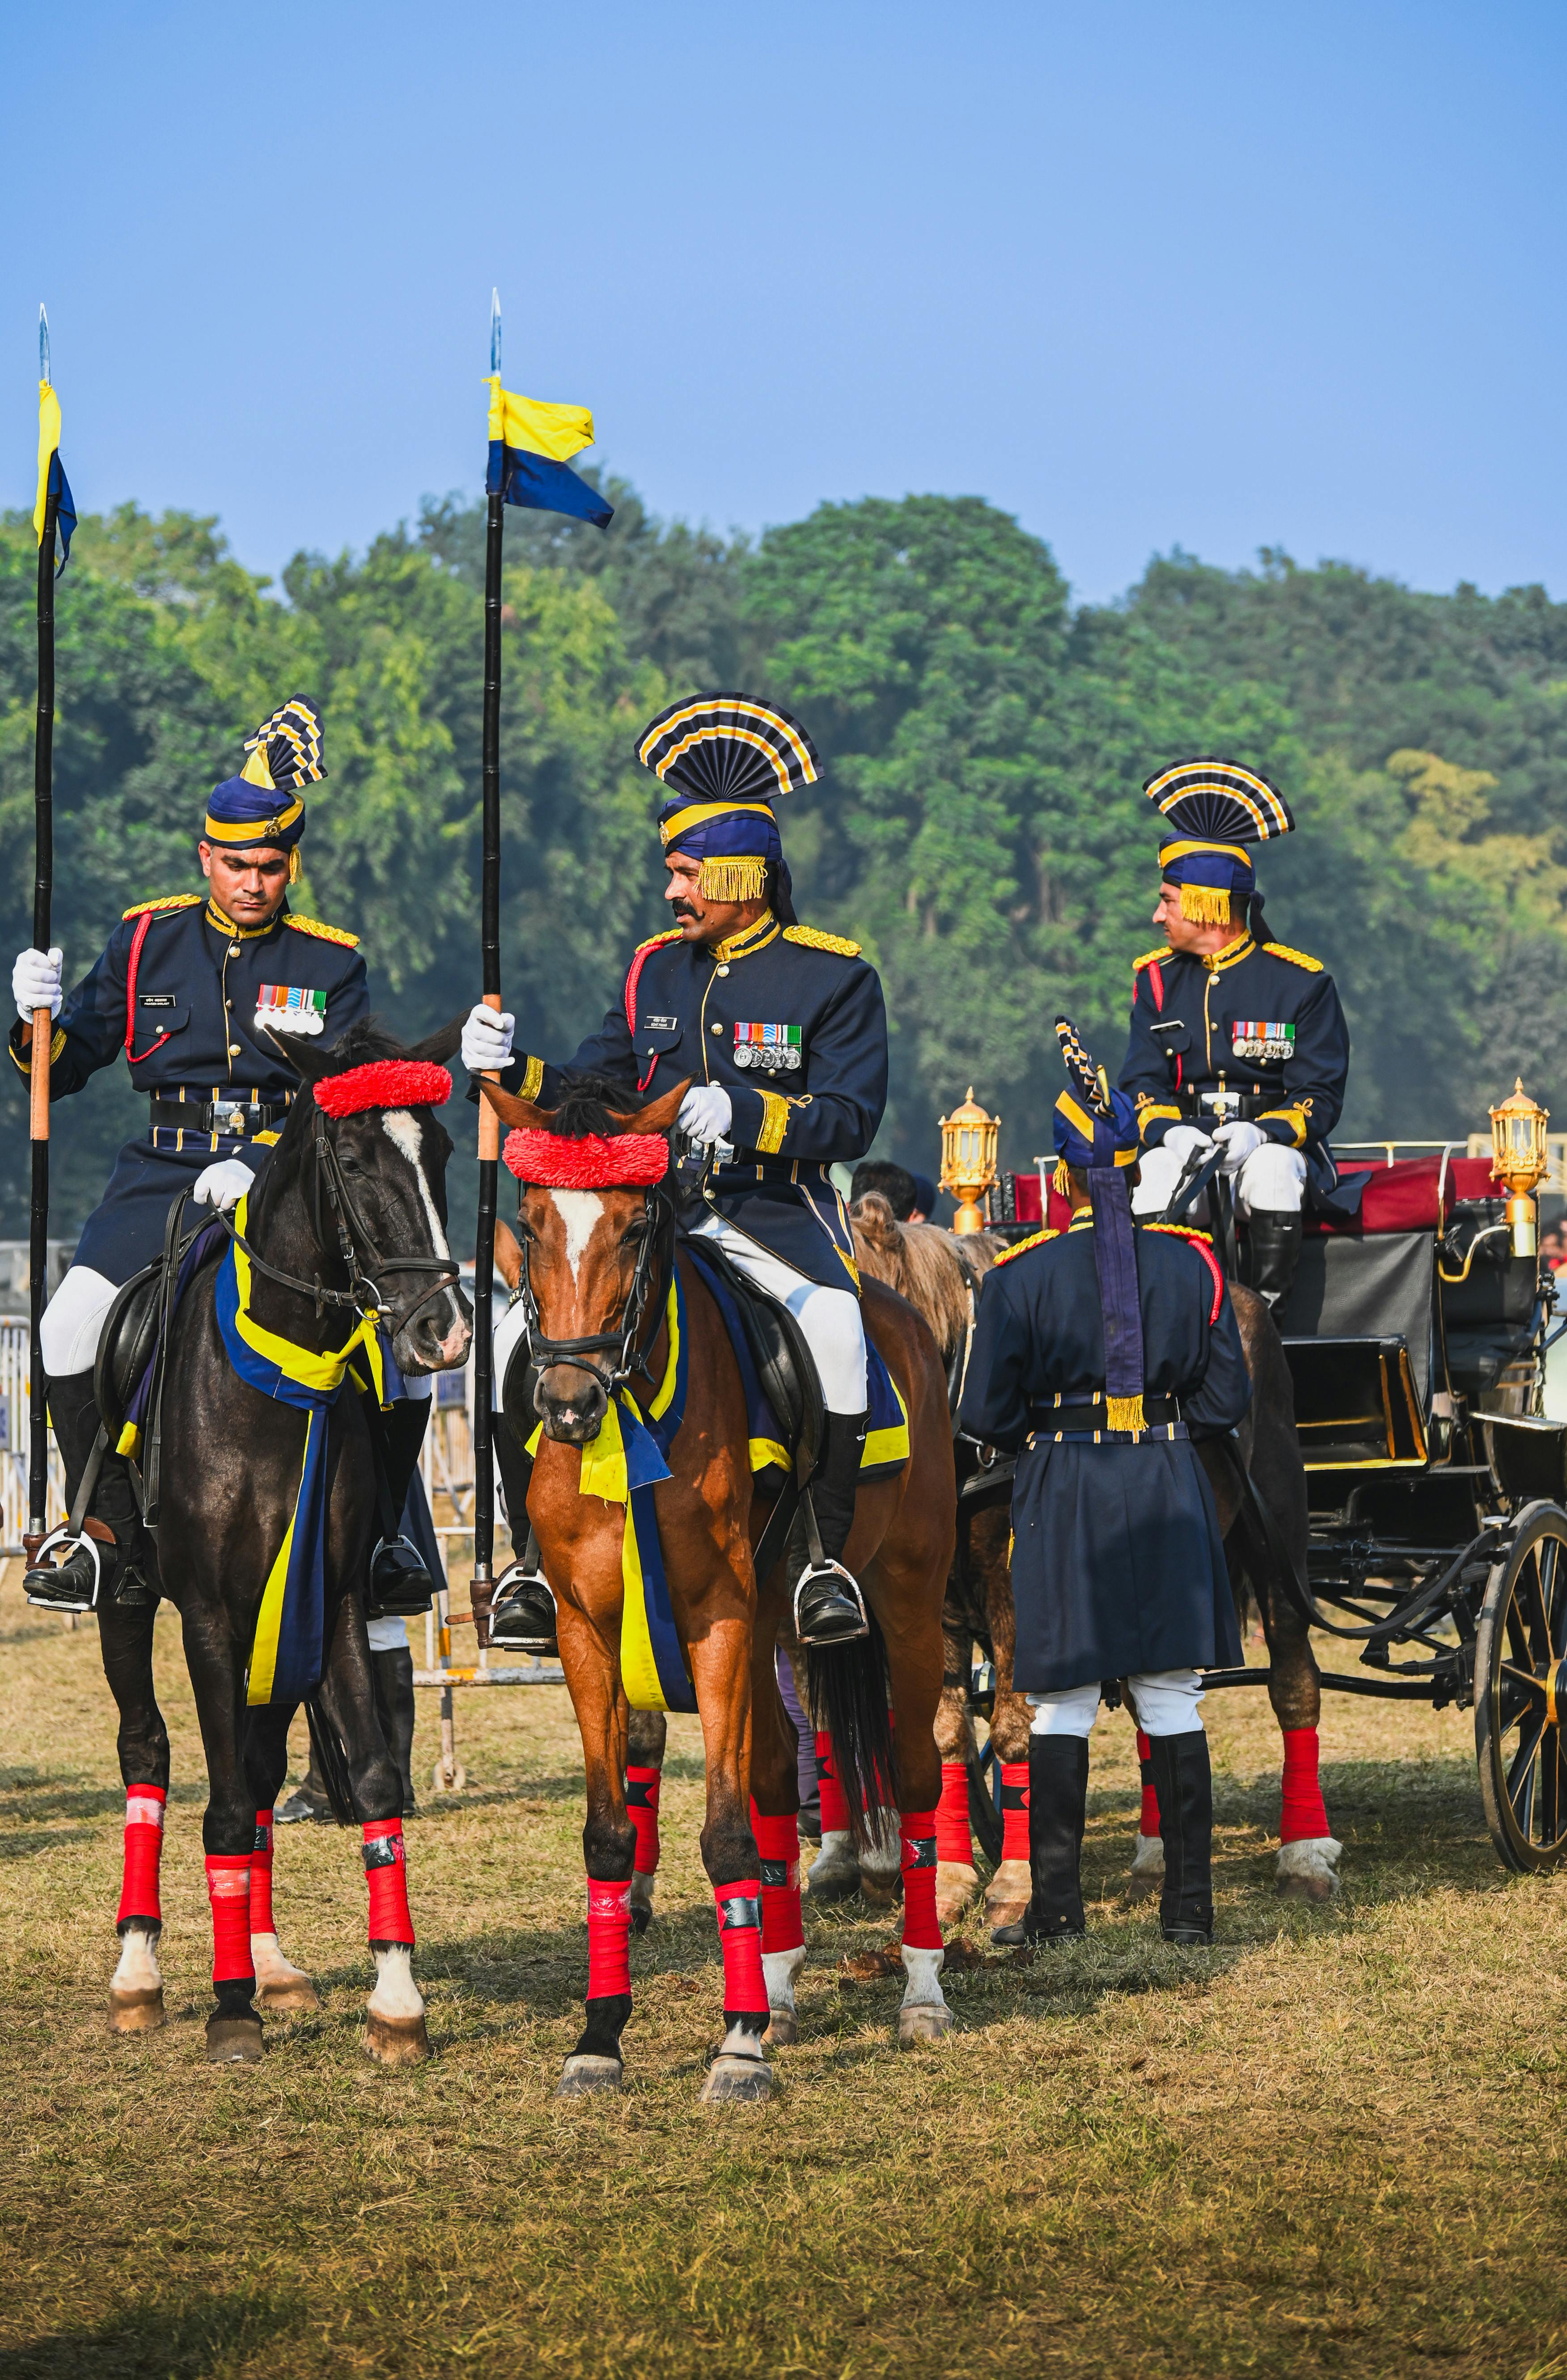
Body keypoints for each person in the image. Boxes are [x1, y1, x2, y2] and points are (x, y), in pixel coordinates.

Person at [462, 691, 888, 1649]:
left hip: (775, 1213)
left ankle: (822, 1555)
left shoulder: (835, 976)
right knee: (509, 1341)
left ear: (746, 873)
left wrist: (749, 1111)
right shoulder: (653, 968)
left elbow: (853, 1116)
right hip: (652, 1219)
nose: (673, 893)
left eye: (689, 874)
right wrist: (508, 1061)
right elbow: (587, 1085)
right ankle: (531, 1560)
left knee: (836, 1325)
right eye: (673, 874)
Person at [13, 698, 433, 1659]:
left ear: (291, 864)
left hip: (292, 1182)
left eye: (270, 866)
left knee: (401, 1359)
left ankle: (388, 1540)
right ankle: (102, 1531)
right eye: (236, 864)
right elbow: (61, 1066)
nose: (253, 882)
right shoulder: (145, 942)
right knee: (69, 1325)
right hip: (159, 1176)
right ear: (205, 856)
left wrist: (269, 1157)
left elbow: (348, 1091)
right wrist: (31, 1017)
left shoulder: (330, 961)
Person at [958, 1019, 1251, 1948]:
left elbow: (987, 1418)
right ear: (1132, 1164)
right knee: (1173, 1697)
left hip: (1066, 1486)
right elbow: (1224, 1399)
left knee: (1062, 1706)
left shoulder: (1018, 1274)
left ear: (1062, 1177)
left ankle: (1060, 1912)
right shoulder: (1196, 1264)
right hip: (1167, 1481)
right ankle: (1191, 1913)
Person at [1117, 757, 1356, 1308]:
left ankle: (1262, 1329)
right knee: (1154, 1173)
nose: (1158, 915)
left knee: (1273, 1171)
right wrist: (1170, 1132)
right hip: (1189, 1146)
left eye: (1168, 902)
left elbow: (1318, 1097)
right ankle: (1169, 1323)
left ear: (1209, 905)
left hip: (1269, 1149)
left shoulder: (1302, 983)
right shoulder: (1154, 982)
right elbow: (1142, 1083)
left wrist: (1262, 1133)